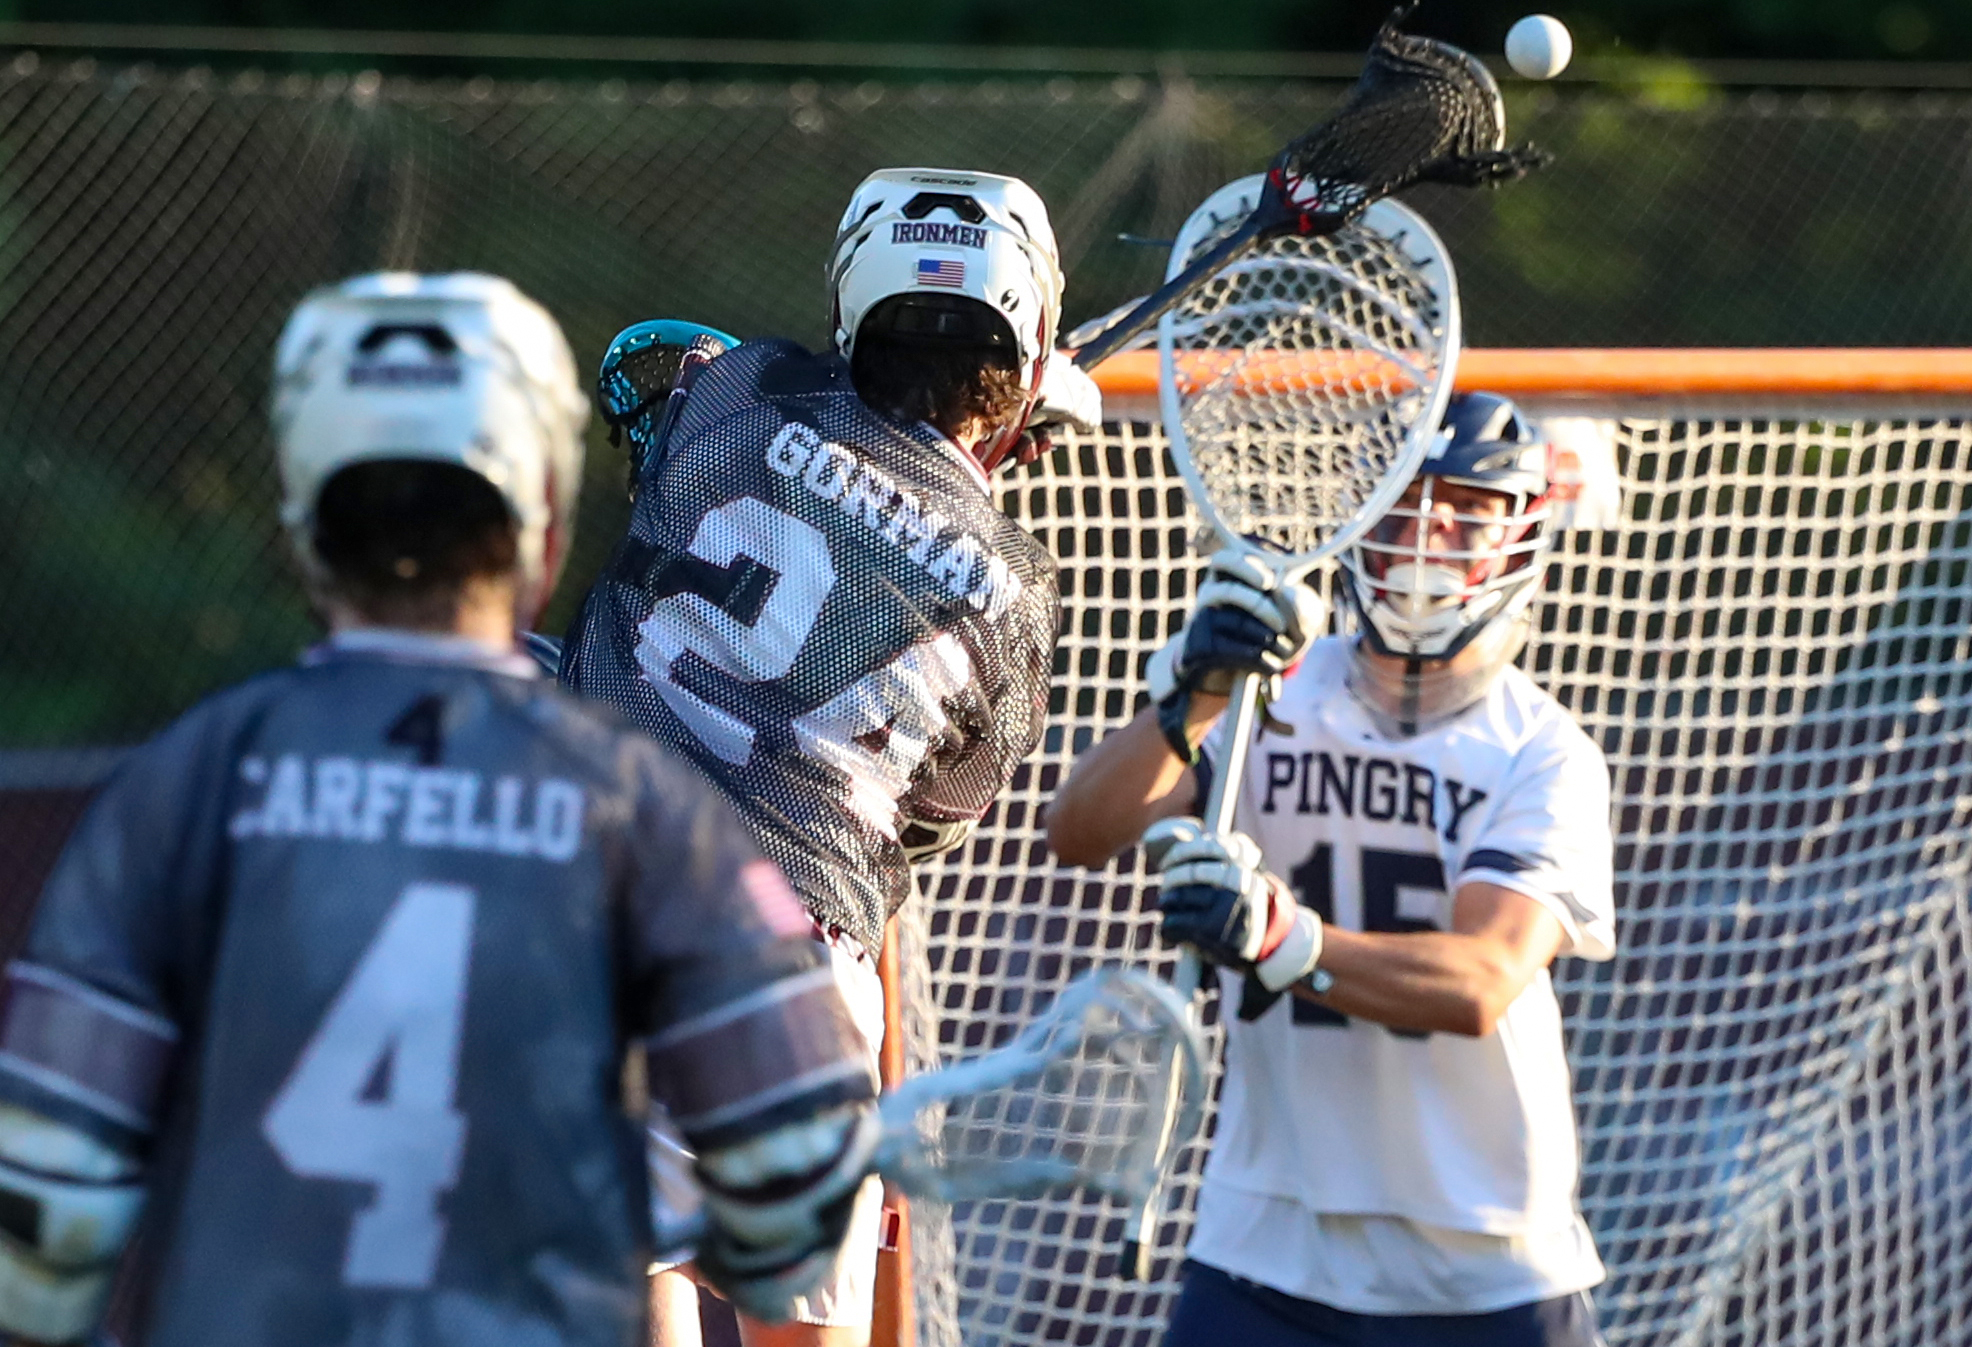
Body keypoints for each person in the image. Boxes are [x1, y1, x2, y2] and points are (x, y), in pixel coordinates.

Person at [0, 272, 879, 1347]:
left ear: (302, 526)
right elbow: (789, 1220)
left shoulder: (188, 785)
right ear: (547, 528)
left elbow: (42, 1211)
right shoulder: (650, 814)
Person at [559, 168, 1097, 1347]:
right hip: (799, 959)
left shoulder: (740, 394)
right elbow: (944, 810)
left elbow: (748, 418)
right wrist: (973, 478)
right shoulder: (1012, 587)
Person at [1048, 393, 1616, 1347]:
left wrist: (1281, 936)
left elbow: (1480, 982)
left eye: (1466, 510)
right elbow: (1078, 831)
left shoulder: (1543, 751)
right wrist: (1195, 695)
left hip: (1478, 1255)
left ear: (1520, 534)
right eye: (1404, 506)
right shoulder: (1275, 681)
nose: (1429, 538)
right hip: (1270, 1235)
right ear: (1358, 516)